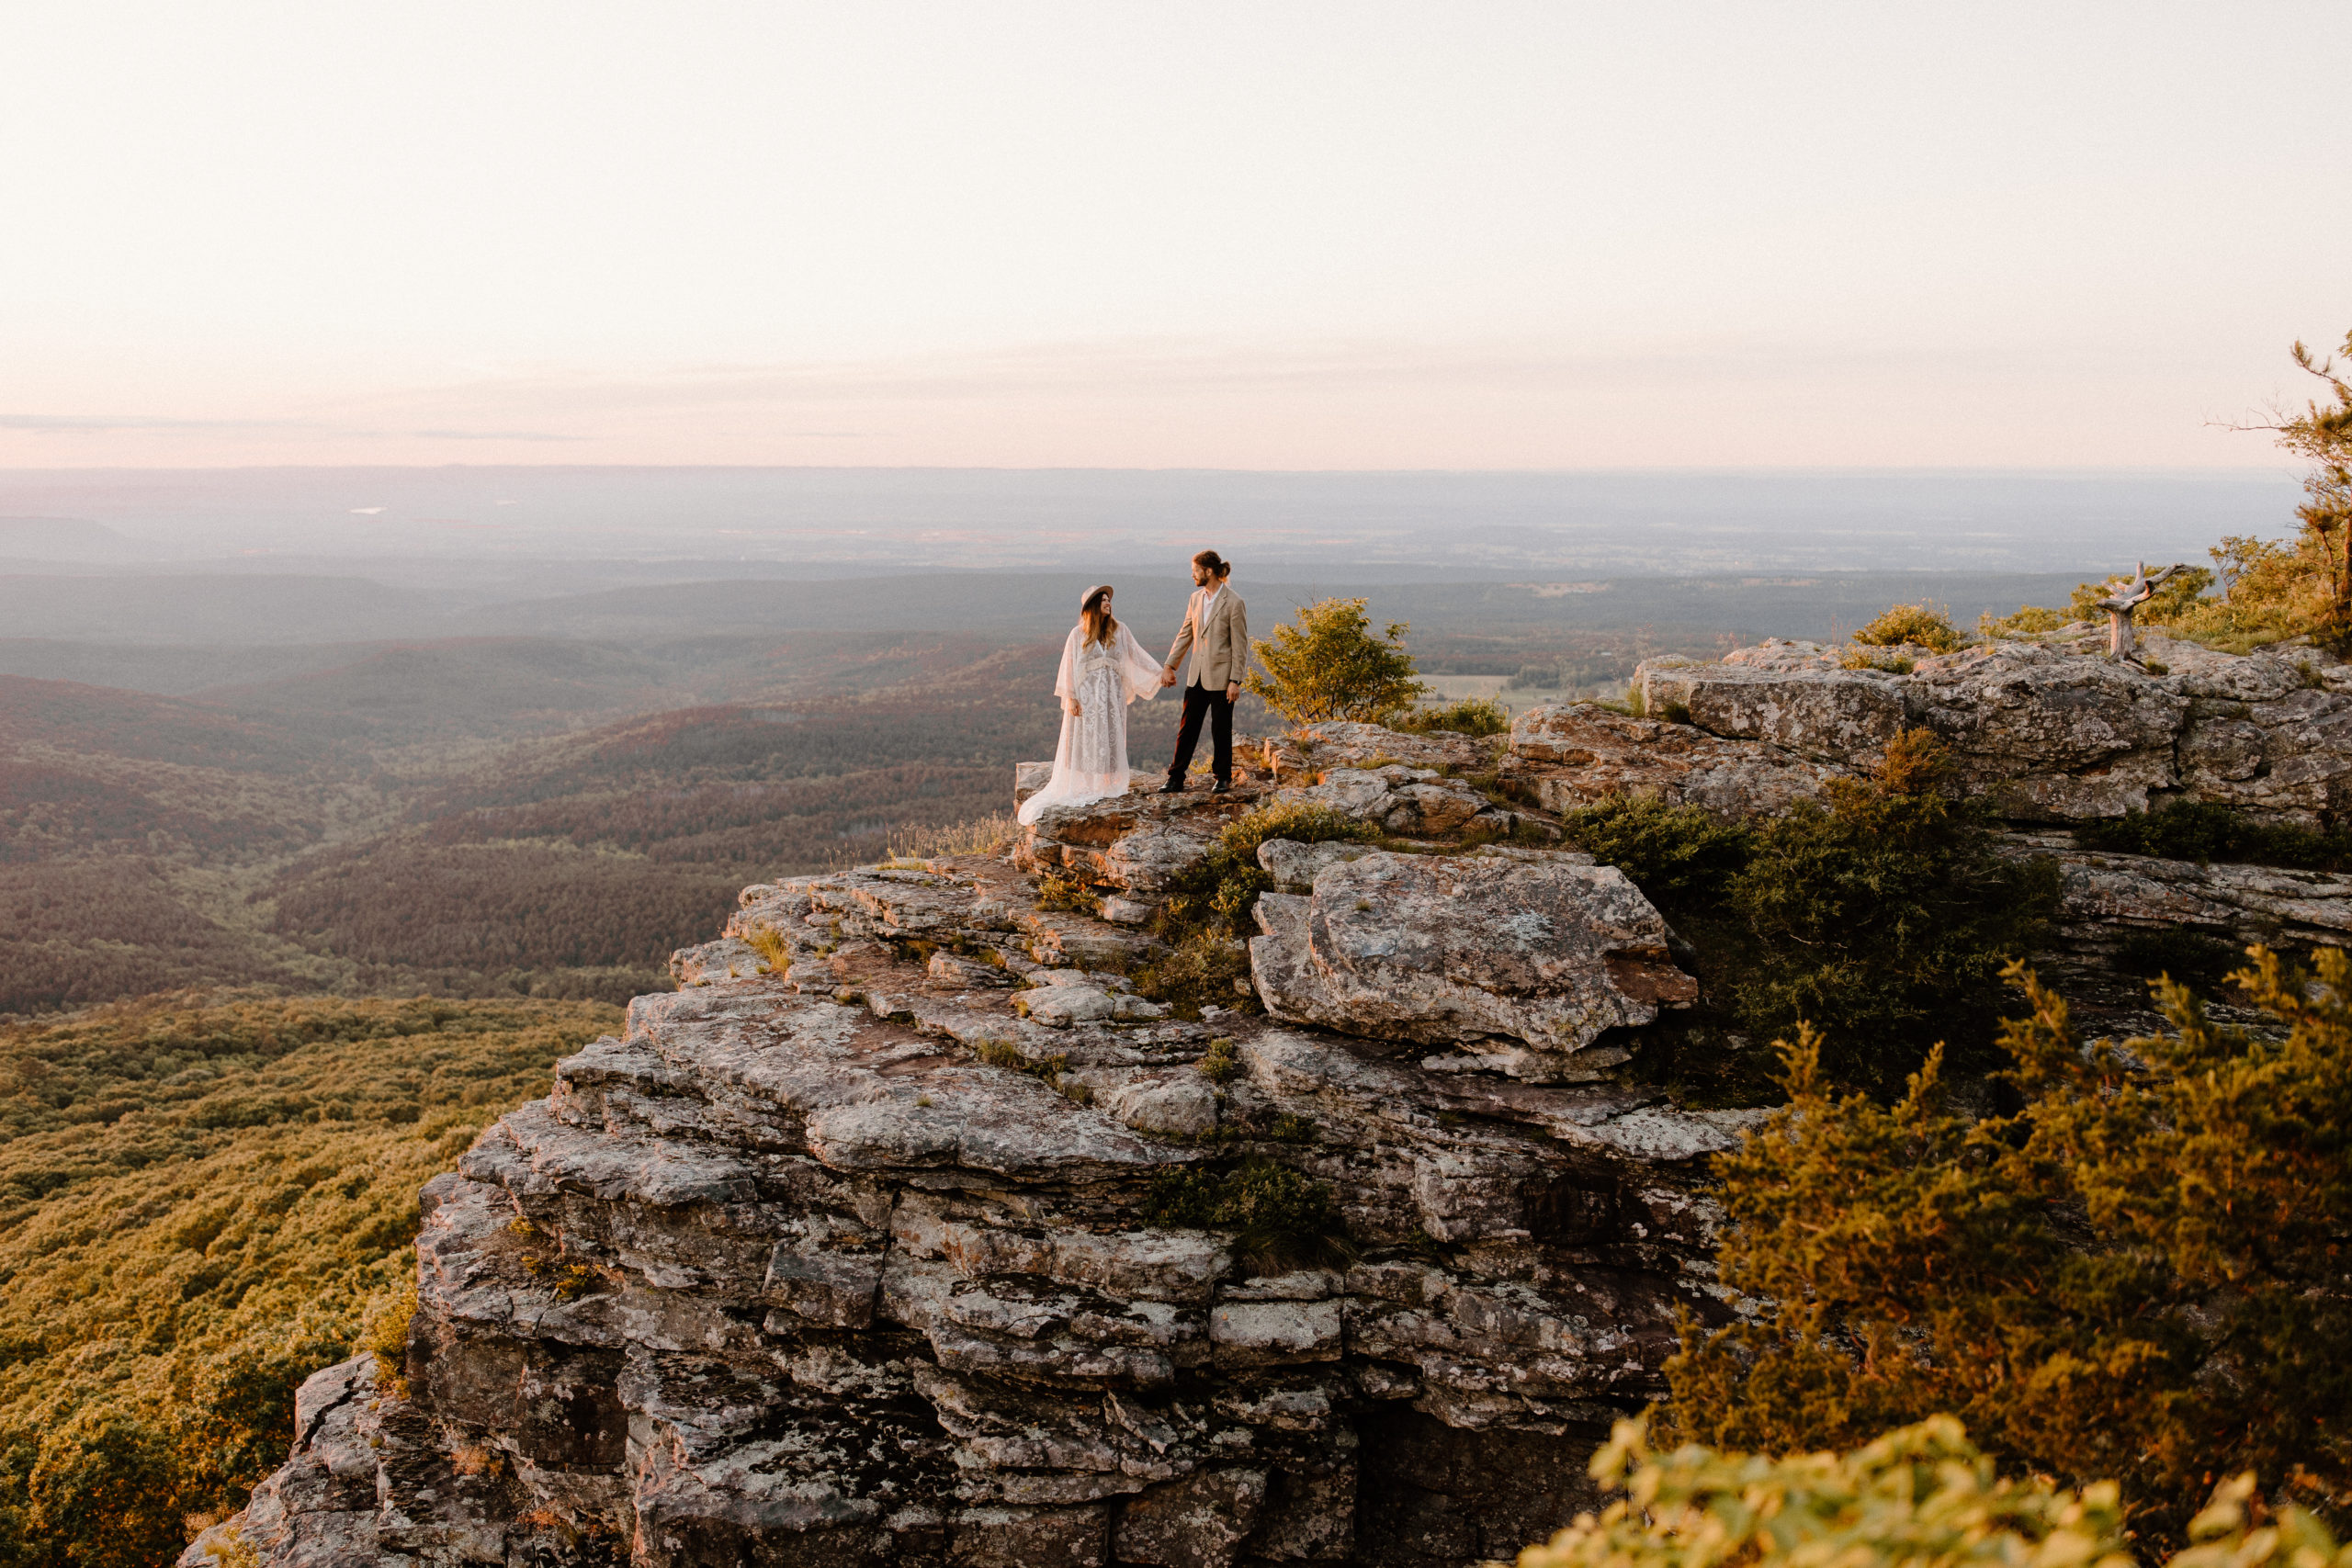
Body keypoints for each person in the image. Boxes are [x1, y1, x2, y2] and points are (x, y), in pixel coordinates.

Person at [1016, 584, 1167, 825]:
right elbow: (1068, 667)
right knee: (1088, 738)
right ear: (1092, 607)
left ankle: (1108, 782)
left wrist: (1161, 673)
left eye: (1108, 600)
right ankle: (1087, 784)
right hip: (1087, 698)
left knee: (1110, 734)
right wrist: (1072, 697)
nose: (1108, 603)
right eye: (1103, 600)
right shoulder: (1077, 634)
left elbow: (1137, 656)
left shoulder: (1120, 630)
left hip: (1112, 696)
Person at [1159, 549, 1248, 794]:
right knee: (1187, 727)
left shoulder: (1234, 602)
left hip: (1222, 677)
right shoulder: (1195, 599)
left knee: (1220, 728)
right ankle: (1175, 777)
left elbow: (1240, 645)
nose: (1192, 575)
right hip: (1196, 674)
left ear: (1208, 571)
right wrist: (1170, 665)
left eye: (1195, 570)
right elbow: (1186, 633)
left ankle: (1222, 777)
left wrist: (1235, 680)